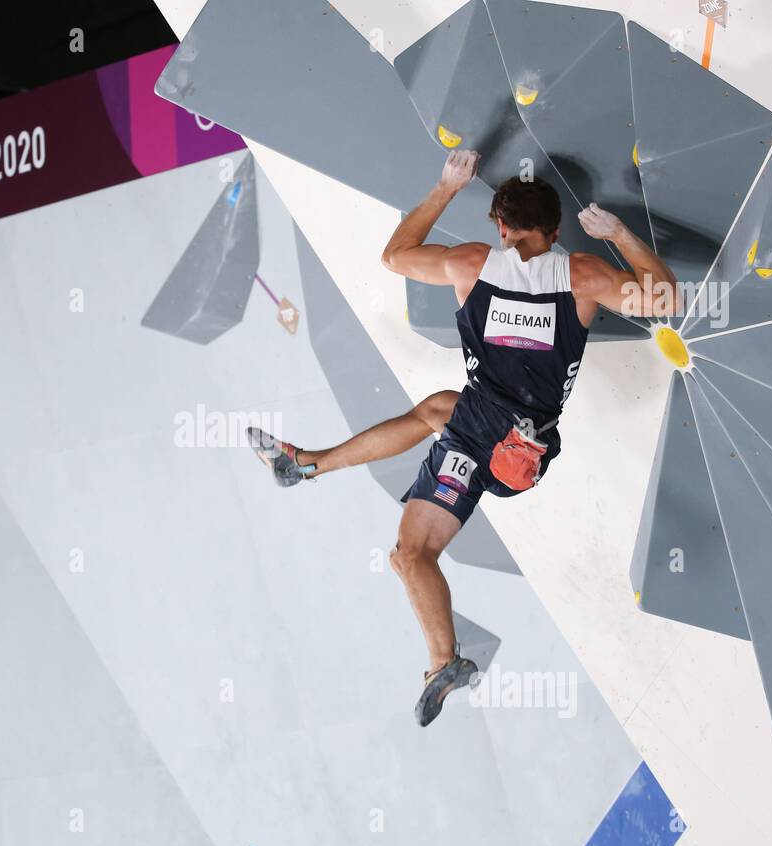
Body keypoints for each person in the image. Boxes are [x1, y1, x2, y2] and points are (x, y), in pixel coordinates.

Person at [247, 149, 678, 726]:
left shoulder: (472, 264)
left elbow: (395, 255)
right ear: (554, 231)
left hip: (493, 437)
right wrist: (620, 233)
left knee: (422, 488)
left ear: (500, 228)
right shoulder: (582, 275)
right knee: (419, 498)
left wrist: (447, 187)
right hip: (517, 451)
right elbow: (666, 298)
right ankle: (438, 658)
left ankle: (313, 470)